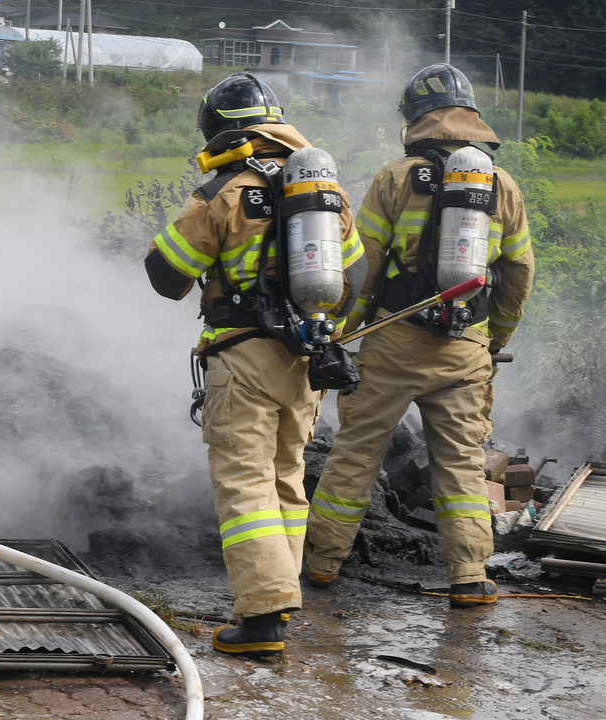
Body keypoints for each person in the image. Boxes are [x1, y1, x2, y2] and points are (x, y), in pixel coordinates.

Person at [144, 72, 365, 655]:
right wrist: (323, 330)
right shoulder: (325, 195)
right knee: (287, 476)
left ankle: (262, 618)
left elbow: (166, 277)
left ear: (219, 130)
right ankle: (281, 599)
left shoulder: (224, 192)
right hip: (305, 361)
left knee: (244, 483)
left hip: (241, 357)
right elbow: (359, 278)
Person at [305, 63, 534, 607]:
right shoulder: (502, 187)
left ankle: (319, 565)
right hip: (465, 349)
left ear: (416, 119)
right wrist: (493, 337)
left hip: (392, 343)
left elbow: (362, 264)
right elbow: (518, 272)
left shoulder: (394, 178)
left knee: (356, 453)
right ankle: (470, 577)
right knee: (460, 464)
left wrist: (342, 332)